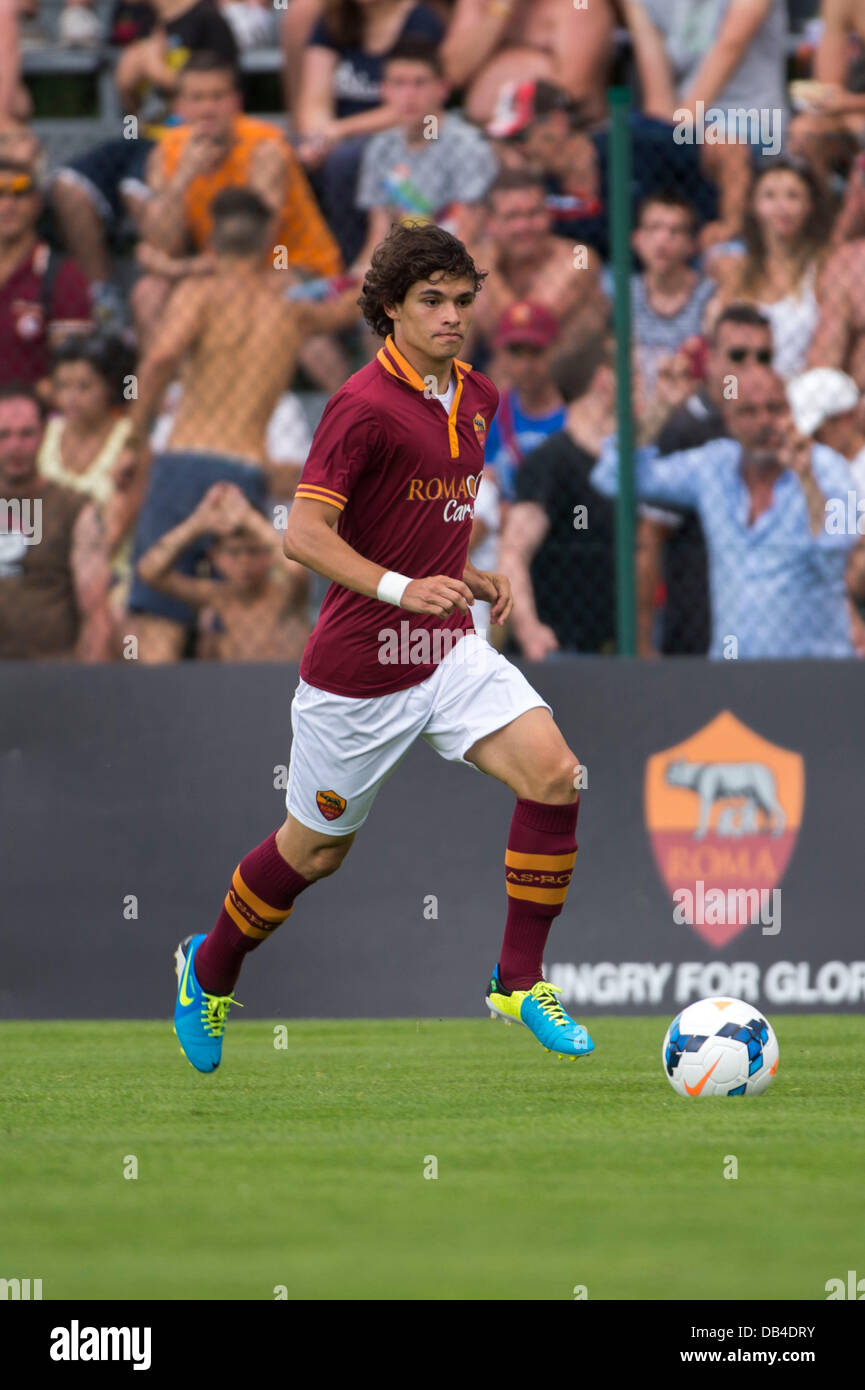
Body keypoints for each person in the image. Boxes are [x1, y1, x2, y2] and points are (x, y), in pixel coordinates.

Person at [172, 220, 594, 1074]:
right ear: (390, 308)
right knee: (315, 852)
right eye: (431, 301)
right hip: (359, 673)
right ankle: (207, 969)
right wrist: (405, 588)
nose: (451, 317)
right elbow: (307, 537)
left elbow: (413, 517)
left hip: (445, 649)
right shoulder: (359, 406)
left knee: (555, 773)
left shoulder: (477, 394)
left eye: (462, 301)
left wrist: (462, 571)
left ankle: (516, 979)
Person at [125, 186, 358, 662]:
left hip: (185, 460)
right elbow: (345, 307)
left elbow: (160, 358)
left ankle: (153, 729)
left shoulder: (200, 292)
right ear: (267, 237)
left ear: (210, 232)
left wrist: (132, 440)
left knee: (160, 620)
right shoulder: (288, 309)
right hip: (246, 469)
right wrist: (385, 260)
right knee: (244, 614)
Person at [592, 370, 860, 659]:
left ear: (791, 413)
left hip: (814, 672)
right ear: (729, 421)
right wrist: (659, 413)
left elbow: (836, 556)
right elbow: (612, 478)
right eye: (749, 411)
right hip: (732, 673)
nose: (765, 422)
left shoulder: (829, 468)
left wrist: (807, 480)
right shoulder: (713, 465)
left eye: (775, 409)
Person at [133, 51, 342, 343]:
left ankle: (339, 389)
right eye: (197, 98)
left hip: (293, 266)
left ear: (236, 101)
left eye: (218, 97)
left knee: (255, 291)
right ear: (179, 106)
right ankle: (175, 388)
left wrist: (175, 268)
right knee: (148, 292)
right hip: (219, 268)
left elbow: (253, 247)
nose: (207, 108)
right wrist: (181, 179)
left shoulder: (264, 149)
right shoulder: (166, 152)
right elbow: (160, 242)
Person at [637, 303, 775, 657]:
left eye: (764, 356)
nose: (752, 368)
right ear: (711, 361)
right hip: (697, 634)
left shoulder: (779, 428)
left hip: (769, 636)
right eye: (738, 356)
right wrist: (641, 641)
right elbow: (649, 539)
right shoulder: (684, 430)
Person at [294, 0, 446, 264]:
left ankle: (346, 260)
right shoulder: (334, 18)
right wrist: (317, 140)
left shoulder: (420, 20)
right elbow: (313, 98)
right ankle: (304, 261)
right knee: (288, 151)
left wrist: (340, 131)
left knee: (346, 159)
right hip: (336, 134)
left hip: (394, 133)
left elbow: (412, 103)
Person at [499, 339, 617, 661]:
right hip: (563, 653)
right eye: (630, 371)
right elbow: (512, 553)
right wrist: (530, 632)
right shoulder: (551, 462)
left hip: (615, 652)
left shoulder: (624, 462)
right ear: (604, 380)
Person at [354, 39, 498, 268]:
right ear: (384, 90)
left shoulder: (469, 145)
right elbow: (378, 237)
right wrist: (359, 280)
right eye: (399, 83)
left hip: (461, 263)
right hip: (401, 264)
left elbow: (467, 238)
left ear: (442, 89)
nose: (409, 95)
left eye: (419, 83)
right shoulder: (380, 147)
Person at [0, 383, 114, 660]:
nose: (15, 446)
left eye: (26, 434)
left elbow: (96, 613)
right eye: (3, 435)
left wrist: (83, 687)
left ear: (44, 436)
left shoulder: (74, 508)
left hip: (52, 670)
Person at [136, 481, 311, 661]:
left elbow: (296, 572)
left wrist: (249, 518)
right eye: (234, 553)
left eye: (253, 551)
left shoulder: (285, 595)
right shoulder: (218, 596)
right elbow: (149, 572)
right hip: (229, 683)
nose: (244, 561)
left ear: (269, 556)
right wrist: (197, 523)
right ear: (215, 557)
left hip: (283, 681)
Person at [39, 334, 141, 605]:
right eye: (63, 386)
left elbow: (115, 533)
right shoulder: (43, 435)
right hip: (42, 568)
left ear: (110, 386)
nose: (71, 398)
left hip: (109, 572)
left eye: (84, 387)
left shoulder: (130, 442)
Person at [711, 160, 831, 380]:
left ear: (809, 206)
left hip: (799, 390)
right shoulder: (734, 268)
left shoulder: (824, 267)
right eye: (770, 196)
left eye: (792, 196)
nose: (781, 206)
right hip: (738, 390)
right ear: (753, 205)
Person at [468, 168, 607, 355]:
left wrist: (486, 270)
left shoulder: (578, 257)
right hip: (499, 366)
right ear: (490, 223)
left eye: (534, 213)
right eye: (512, 216)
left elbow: (527, 324)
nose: (524, 226)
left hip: (573, 374)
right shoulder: (478, 257)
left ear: (549, 215)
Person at [441, 0, 617, 127]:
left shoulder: (580, 5)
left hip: (562, 135)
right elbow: (451, 74)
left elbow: (573, 90)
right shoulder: (480, 4)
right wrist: (501, 9)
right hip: (479, 134)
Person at [0, 159, 91, 388]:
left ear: (38, 202)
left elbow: (71, 376)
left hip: (31, 416)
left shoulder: (62, 274)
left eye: (20, 194)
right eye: (0, 194)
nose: (7, 205)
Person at [630, 190, 717, 400]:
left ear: (691, 245)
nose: (663, 240)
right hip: (636, 403)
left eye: (675, 231)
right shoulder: (624, 293)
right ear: (637, 239)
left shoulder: (709, 296)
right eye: (653, 228)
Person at [483, 299, 564, 503]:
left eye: (536, 351)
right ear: (501, 355)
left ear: (554, 351)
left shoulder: (572, 418)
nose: (525, 365)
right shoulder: (487, 412)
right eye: (516, 352)